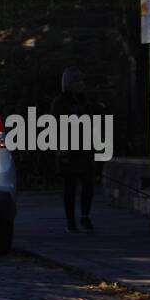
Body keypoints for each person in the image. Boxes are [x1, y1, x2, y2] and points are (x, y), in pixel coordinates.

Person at [50, 67, 99, 232]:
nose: (81, 84)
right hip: (69, 151)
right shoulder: (60, 102)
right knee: (70, 186)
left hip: (84, 149)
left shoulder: (84, 101)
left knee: (88, 184)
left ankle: (85, 216)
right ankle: (70, 221)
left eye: (82, 81)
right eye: (77, 81)